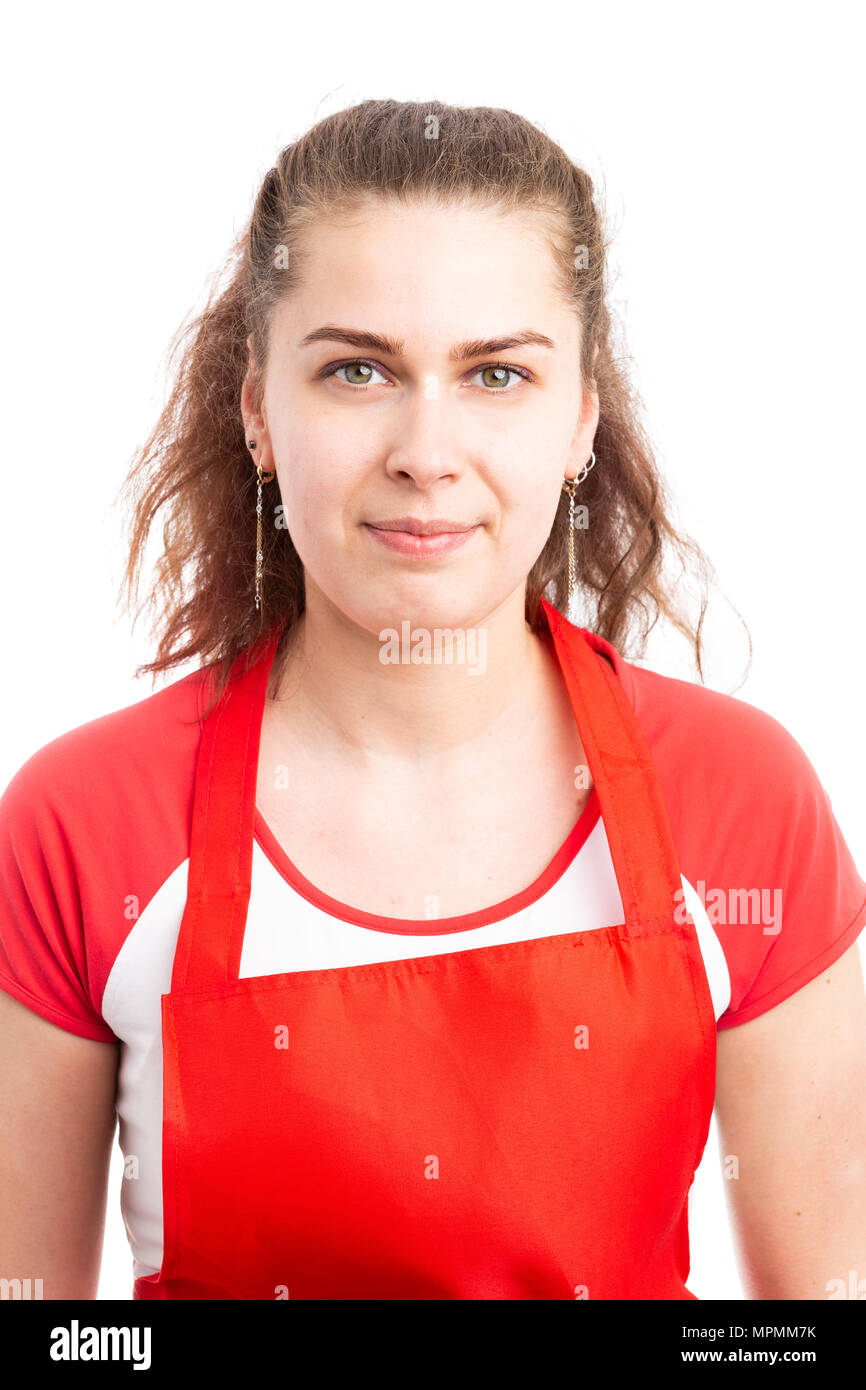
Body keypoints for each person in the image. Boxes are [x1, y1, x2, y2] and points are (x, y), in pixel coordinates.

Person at [1, 99, 865, 1301]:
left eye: (495, 373)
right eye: (356, 370)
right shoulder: (80, 823)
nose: (426, 448)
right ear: (259, 411)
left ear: (578, 419)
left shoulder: (736, 798)